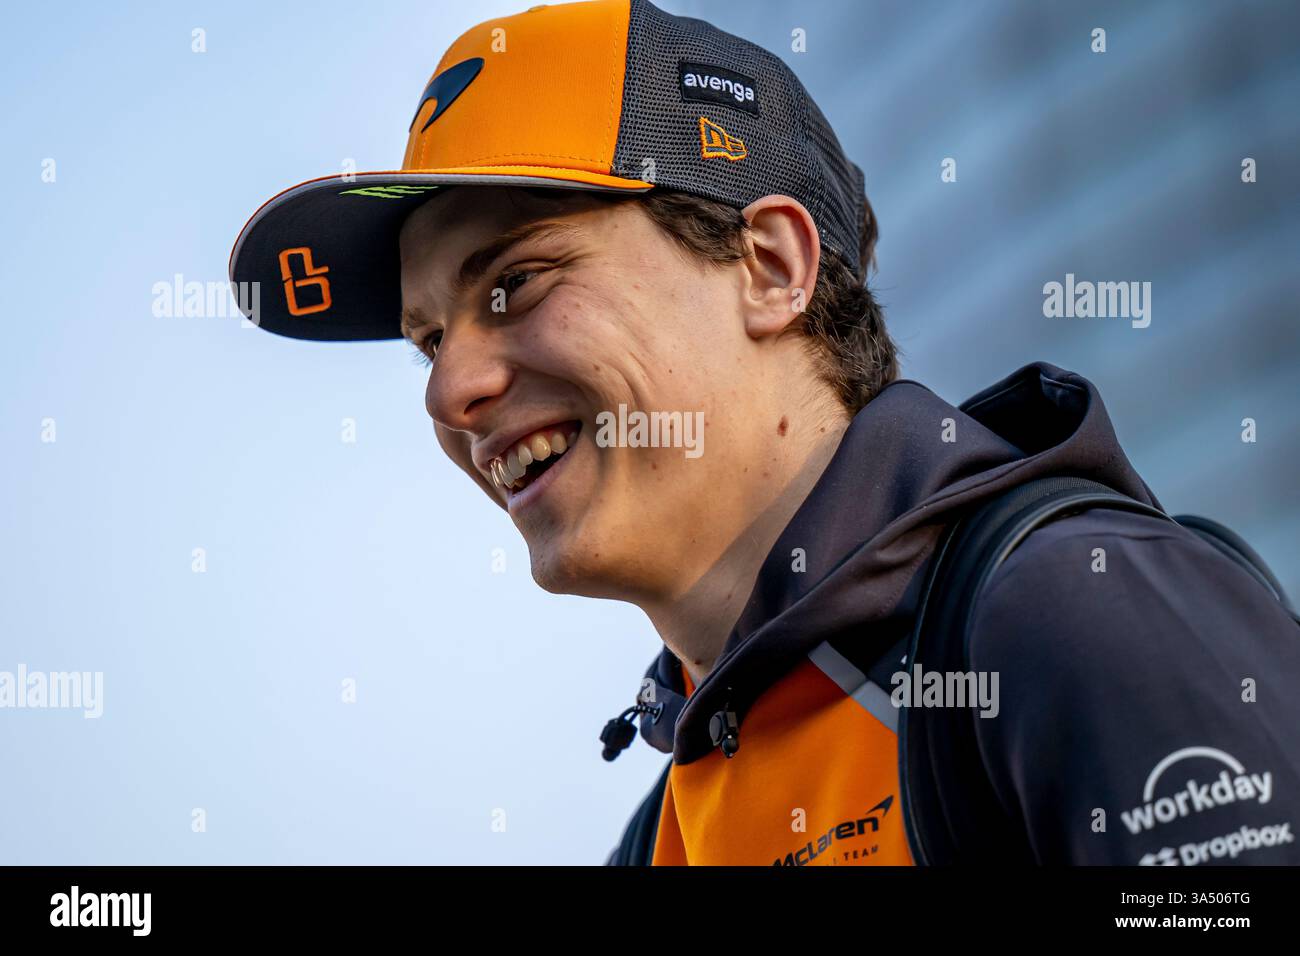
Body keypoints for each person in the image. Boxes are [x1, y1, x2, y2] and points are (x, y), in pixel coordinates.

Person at [229, 0, 1300, 866]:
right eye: (426, 341)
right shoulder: (661, 840)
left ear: (771, 268)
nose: (448, 390)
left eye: (514, 284)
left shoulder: (1066, 608)